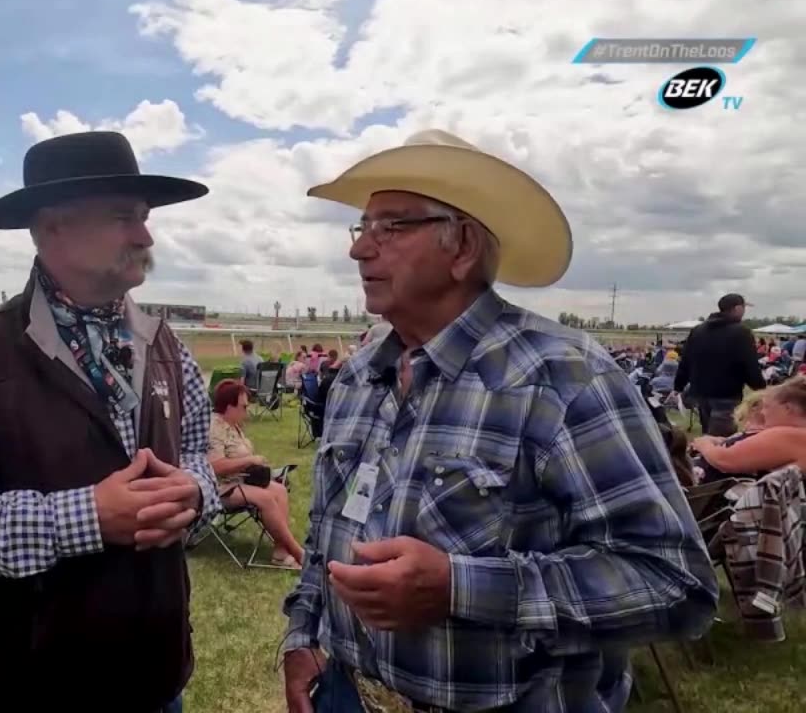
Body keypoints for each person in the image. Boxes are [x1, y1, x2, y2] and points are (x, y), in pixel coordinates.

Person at [281, 130, 717, 712]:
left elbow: (673, 581)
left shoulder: (564, 377)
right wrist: (303, 636)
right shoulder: (360, 374)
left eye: (391, 227)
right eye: (363, 227)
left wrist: (460, 588)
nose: (359, 249)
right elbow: (324, 534)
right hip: (345, 693)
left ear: (462, 245)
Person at [0, 131, 221, 713]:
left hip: (155, 679)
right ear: (51, 226)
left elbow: (198, 459)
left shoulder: (167, 347)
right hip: (19, 688)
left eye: (144, 218)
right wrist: (87, 517)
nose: (145, 236)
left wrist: (194, 494)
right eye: (123, 217)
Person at [208, 379, 304, 567]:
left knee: (280, 490)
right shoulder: (215, 428)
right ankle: (296, 551)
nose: (247, 410)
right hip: (221, 488)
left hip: (242, 482)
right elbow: (216, 466)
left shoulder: (234, 425)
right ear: (229, 407)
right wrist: (249, 461)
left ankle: (280, 551)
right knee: (266, 498)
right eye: (243, 406)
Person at [673, 293, 766, 436]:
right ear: (737, 308)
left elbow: (685, 361)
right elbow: (749, 364)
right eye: (743, 308)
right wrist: (761, 388)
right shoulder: (741, 332)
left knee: (708, 436)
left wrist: (678, 386)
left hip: (701, 392)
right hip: (726, 394)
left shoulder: (698, 331)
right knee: (721, 440)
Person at [692, 377, 806, 476]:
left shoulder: (789, 436)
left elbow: (725, 460)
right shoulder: (798, 436)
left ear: (787, 408)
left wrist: (704, 444)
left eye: (767, 407)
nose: (763, 413)